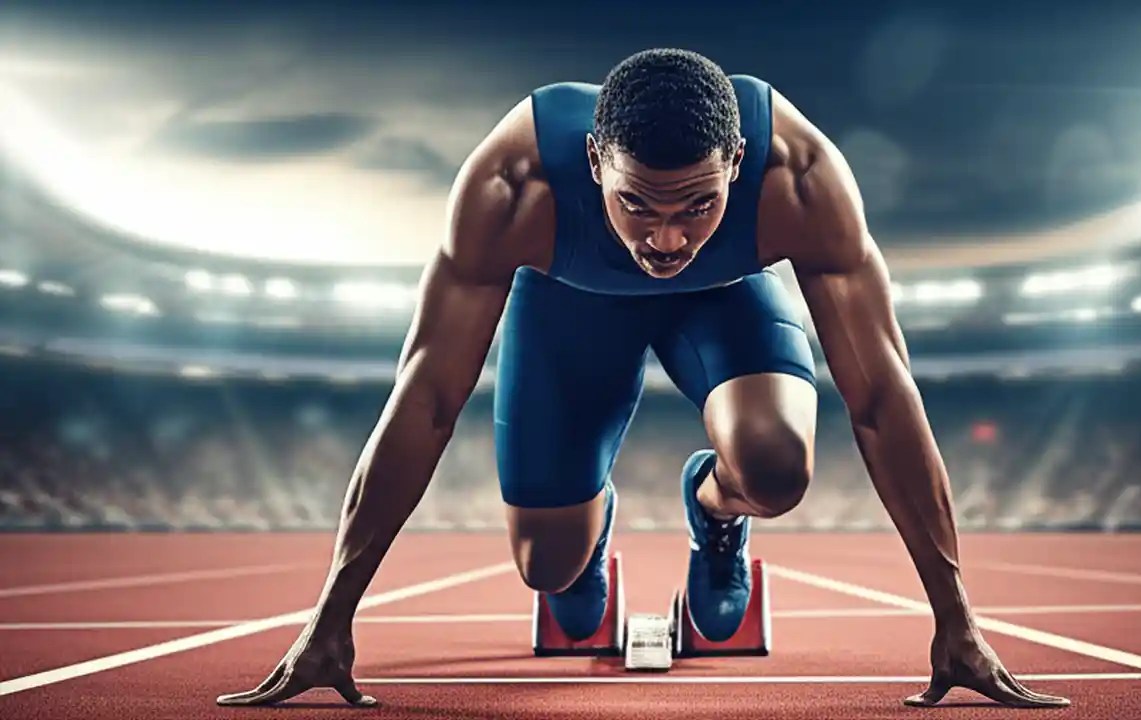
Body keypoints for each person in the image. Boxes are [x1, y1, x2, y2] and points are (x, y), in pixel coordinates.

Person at [217, 48, 1068, 709]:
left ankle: (716, 510)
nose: (667, 241)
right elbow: (429, 397)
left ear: (739, 161)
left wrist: (956, 617)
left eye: (699, 205)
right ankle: (584, 540)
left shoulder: (800, 181)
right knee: (550, 574)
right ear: (593, 162)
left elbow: (882, 397)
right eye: (639, 206)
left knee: (777, 467)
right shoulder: (509, 185)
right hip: (567, 311)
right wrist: (332, 615)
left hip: (725, 303)